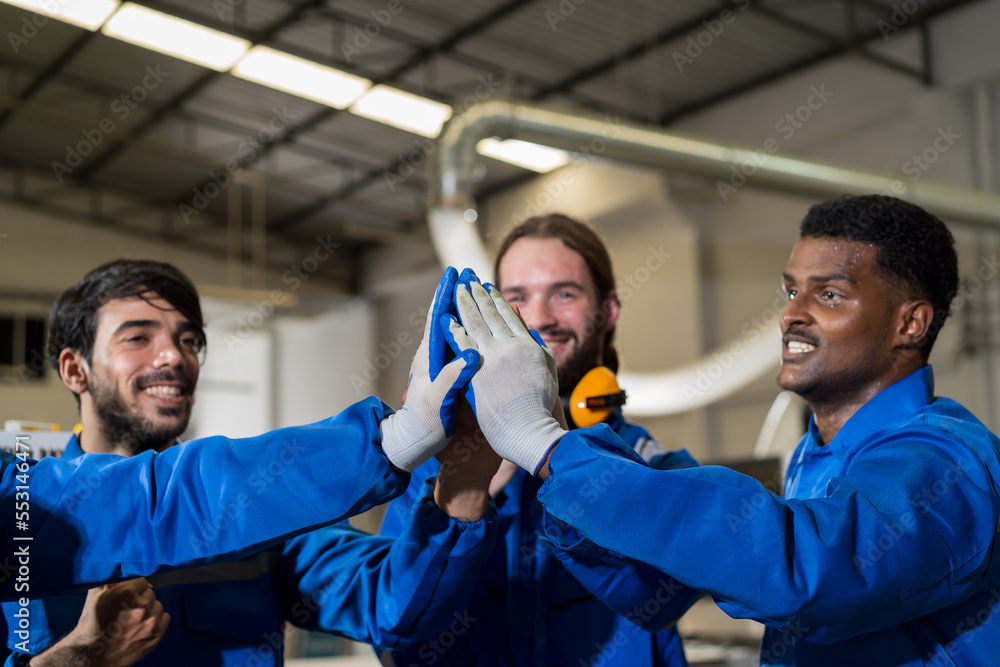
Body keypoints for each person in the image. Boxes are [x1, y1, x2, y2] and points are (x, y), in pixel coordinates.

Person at [451, 195, 1000, 666]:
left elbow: (805, 568)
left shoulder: (948, 466)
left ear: (911, 323)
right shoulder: (820, 458)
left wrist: (551, 450)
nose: (791, 315)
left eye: (828, 294)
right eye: (791, 292)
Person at [4, 260, 500, 666]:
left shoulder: (263, 513)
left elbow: (393, 606)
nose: (173, 357)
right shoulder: (26, 522)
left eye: (189, 340)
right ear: (75, 369)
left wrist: (464, 484)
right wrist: (77, 658)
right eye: (138, 338)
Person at [381, 215, 700, 667]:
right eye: (517, 298)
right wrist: (466, 490)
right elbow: (396, 639)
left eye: (564, 294)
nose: (541, 318)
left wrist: (551, 454)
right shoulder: (438, 470)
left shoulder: (650, 465)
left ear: (608, 311)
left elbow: (666, 596)